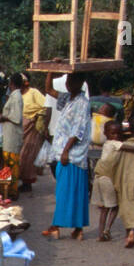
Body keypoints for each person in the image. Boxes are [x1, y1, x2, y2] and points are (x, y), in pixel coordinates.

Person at [43, 73, 91, 240]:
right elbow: (48, 89)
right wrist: (51, 71)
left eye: (73, 81)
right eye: (68, 81)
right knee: (71, 190)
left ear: (80, 83)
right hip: (65, 151)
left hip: (72, 154)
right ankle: (77, 228)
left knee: (66, 191)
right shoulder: (68, 98)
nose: (69, 84)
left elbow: (78, 130)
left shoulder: (82, 103)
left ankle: (57, 225)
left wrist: (66, 151)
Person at [96, 116, 134, 248]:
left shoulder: (123, 145)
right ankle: (131, 232)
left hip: (123, 182)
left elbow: (118, 165)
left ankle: (111, 232)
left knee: (123, 207)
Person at [0, 73, 25, 200]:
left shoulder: (16, 97)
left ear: (11, 83)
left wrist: (3, 117)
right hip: (9, 134)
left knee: (12, 164)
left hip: (13, 135)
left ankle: (13, 191)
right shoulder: (14, 96)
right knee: (8, 163)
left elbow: (16, 117)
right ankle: (8, 189)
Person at [91, 119, 122, 242]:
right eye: (114, 133)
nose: (116, 136)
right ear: (107, 133)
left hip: (99, 178)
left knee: (104, 208)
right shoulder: (115, 144)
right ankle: (107, 230)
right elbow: (132, 148)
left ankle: (100, 233)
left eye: (118, 133)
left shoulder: (106, 143)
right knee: (114, 206)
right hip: (108, 180)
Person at [18, 73, 48, 193]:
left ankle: (27, 182)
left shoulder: (33, 92)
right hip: (20, 127)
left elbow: (45, 106)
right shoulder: (16, 95)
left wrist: (36, 118)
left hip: (31, 127)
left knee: (28, 155)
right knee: (18, 155)